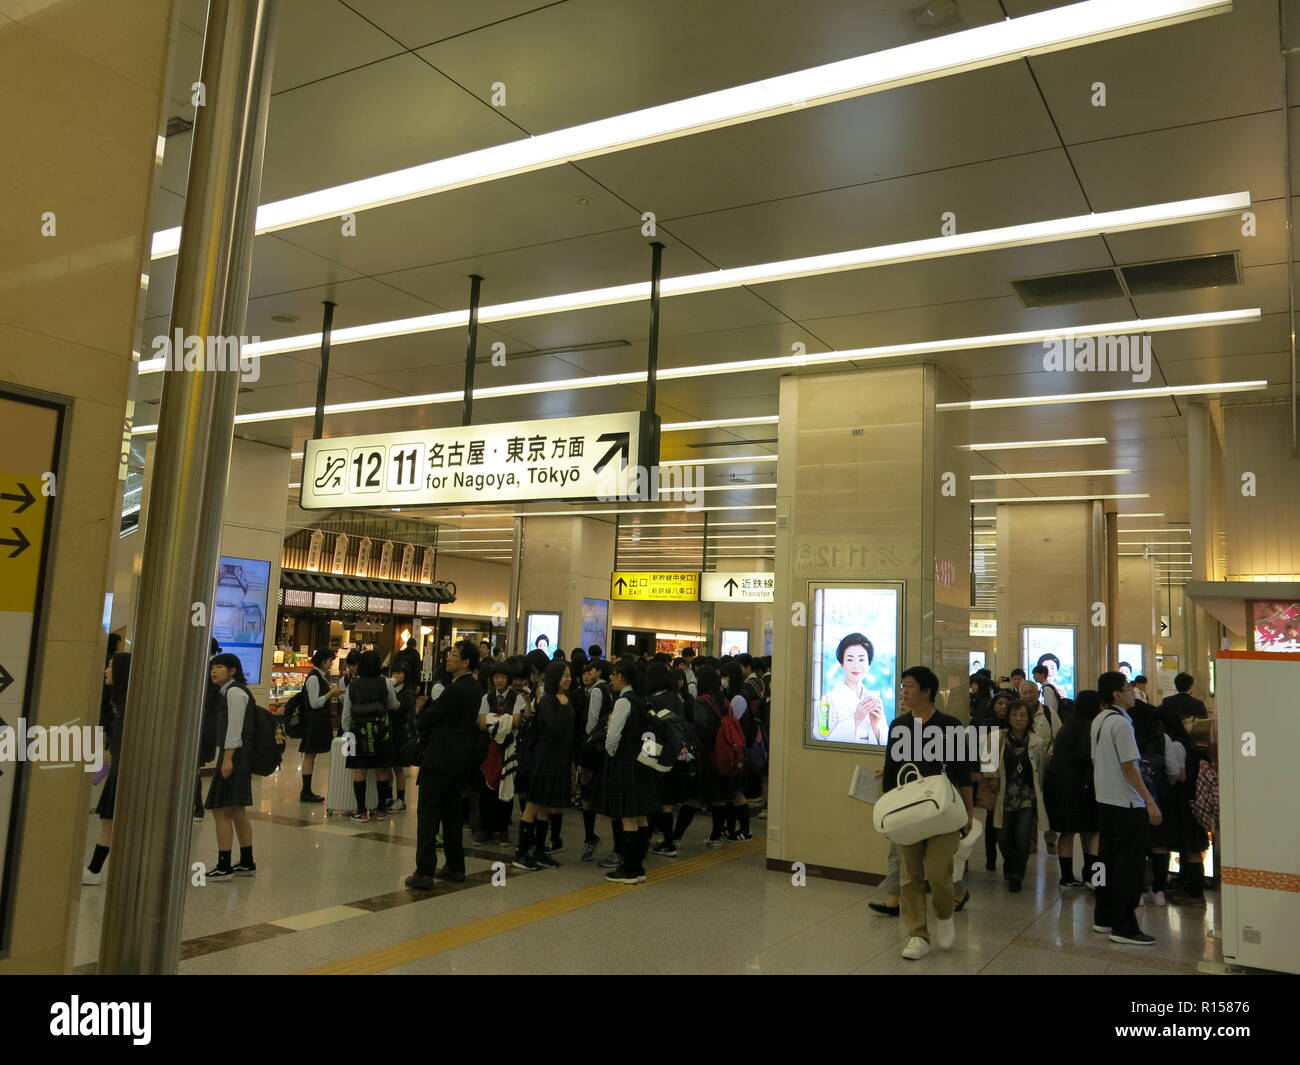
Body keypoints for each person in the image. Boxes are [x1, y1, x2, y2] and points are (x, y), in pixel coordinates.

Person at [882, 666, 975, 959]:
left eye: (909, 686)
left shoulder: (951, 726)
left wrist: (969, 814)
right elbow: (891, 774)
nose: (904, 692)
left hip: (943, 813)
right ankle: (917, 935)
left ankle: (945, 915)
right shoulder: (898, 726)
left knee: (938, 873)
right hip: (908, 814)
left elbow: (964, 774)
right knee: (910, 876)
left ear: (927, 691)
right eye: (902, 687)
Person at [1091, 671, 1162, 945]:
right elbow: (1130, 767)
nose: (1133, 692)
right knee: (1129, 867)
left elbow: (1097, 761)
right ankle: (1124, 926)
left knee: (1107, 862)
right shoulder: (1121, 724)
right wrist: (1150, 801)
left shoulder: (1099, 720)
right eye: (1128, 688)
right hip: (1127, 804)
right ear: (1116, 694)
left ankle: (1103, 916)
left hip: (1106, 802)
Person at [406, 641, 482, 889]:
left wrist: (424, 713)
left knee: (428, 814)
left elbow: (425, 719)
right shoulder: (474, 688)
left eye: (454, 655)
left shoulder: (455, 689)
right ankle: (455, 865)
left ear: (465, 662)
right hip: (459, 760)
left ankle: (424, 871)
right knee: (452, 814)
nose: (449, 658)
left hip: (438, 758)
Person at [594, 660, 658, 884]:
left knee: (627, 819)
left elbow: (613, 737)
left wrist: (610, 753)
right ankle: (638, 867)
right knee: (641, 818)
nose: (612, 678)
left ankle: (628, 870)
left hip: (624, 762)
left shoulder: (623, 701)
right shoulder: (640, 700)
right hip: (641, 762)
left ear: (621, 676)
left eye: (613, 675)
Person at [514, 659, 575, 870]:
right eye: (565, 675)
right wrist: (564, 707)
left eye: (569, 675)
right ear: (555, 677)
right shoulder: (548, 700)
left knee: (546, 807)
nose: (569, 679)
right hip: (545, 757)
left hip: (559, 758)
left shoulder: (564, 698)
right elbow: (555, 727)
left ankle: (540, 851)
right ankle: (521, 852)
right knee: (534, 805)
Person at [204, 653, 257, 879]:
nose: (213, 671)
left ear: (232, 671)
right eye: (212, 668)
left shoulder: (234, 693)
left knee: (221, 810)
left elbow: (235, 728)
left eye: (219, 667)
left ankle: (224, 865)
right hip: (239, 754)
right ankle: (246, 862)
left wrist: (227, 758)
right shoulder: (232, 691)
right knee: (236, 810)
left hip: (234, 754)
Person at [1043, 689, 1102, 889]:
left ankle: (1067, 877)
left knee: (1067, 831)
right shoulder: (1087, 725)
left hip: (1058, 782)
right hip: (1075, 784)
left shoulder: (1071, 721)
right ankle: (1095, 879)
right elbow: (1084, 755)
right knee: (1093, 830)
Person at [83, 651, 131, 886]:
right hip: (119, 773)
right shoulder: (121, 707)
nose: (106, 670)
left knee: (110, 821)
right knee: (108, 821)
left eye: (111, 666)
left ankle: (94, 870)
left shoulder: (129, 708)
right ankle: (94, 869)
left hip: (125, 775)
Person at [992, 700, 1048, 893]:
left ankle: (1017, 875)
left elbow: (1040, 773)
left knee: (1023, 839)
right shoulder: (997, 739)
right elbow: (987, 768)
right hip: (1004, 796)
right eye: (1015, 715)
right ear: (1009, 717)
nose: (1018, 719)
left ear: (1029, 718)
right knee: (1003, 838)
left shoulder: (1037, 743)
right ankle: (1010, 863)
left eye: (1023, 715)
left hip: (1026, 798)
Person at [341, 650, 399, 823]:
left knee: (359, 770)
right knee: (381, 769)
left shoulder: (354, 685)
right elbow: (392, 703)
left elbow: (346, 714)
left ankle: (361, 810)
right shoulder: (385, 682)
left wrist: (347, 732)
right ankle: (381, 809)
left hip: (359, 733)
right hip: (380, 732)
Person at [477, 661, 523, 845]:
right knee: (486, 789)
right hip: (489, 750)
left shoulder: (517, 698)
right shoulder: (486, 698)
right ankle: (484, 828)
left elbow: (518, 722)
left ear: (508, 679)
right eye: (496, 677)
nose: (499, 680)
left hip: (509, 749)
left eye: (503, 677)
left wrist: (493, 720)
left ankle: (502, 828)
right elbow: (481, 722)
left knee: (506, 788)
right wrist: (505, 720)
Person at [821, 633, 887, 744]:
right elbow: (821, 739)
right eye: (850, 659)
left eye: (861, 660)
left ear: (869, 664)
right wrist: (856, 719)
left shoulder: (875, 701)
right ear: (842, 664)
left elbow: (886, 745)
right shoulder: (826, 701)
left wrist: (876, 726)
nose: (856, 666)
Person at [297, 648, 340, 803]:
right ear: (323, 661)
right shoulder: (314, 678)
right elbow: (314, 703)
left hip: (317, 722)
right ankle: (306, 791)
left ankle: (307, 790)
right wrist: (331, 693)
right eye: (330, 660)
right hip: (313, 722)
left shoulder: (320, 677)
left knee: (311, 754)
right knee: (310, 755)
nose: (331, 664)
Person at [388, 660, 417, 811]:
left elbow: (400, 708)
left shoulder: (408, 692)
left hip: (401, 732)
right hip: (389, 731)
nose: (395, 676)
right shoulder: (390, 687)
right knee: (388, 766)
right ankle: (388, 797)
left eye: (399, 673)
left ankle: (400, 799)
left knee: (399, 768)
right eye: (393, 673)